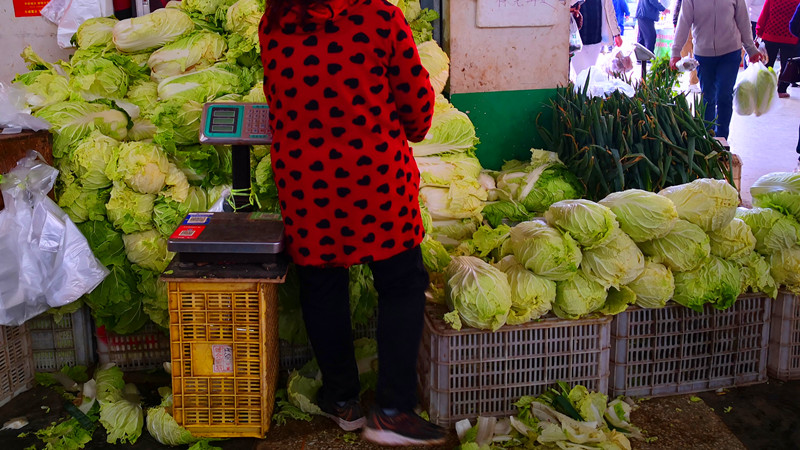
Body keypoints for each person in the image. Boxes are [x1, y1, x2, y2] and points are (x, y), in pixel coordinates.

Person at [258, 0, 445, 446]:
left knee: (323, 286)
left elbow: (277, 100)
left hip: (307, 182)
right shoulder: (380, 18)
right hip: (374, 179)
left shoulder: (276, 21)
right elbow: (417, 110)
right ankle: (393, 411)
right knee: (401, 283)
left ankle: (342, 400)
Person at [670, 0, 764, 139]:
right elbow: (683, 22)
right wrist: (675, 52)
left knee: (724, 95)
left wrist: (751, 49)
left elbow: (743, 21)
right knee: (707, 96)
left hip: (730, 52)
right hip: (703, 54)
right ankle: (708, 137)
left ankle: (721, 138)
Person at [756, 0, 800, 98]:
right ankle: (782, 90)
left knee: (767, 63)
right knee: (787, 66)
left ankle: (764, 89)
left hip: (770, 35)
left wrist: (759, 31)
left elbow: (764, 15)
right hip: (790, 37)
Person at [572, 0, 624, 77]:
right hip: (576, 39)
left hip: (596, 38)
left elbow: (610, 11)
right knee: (580, 73)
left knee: (590, 72)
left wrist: (616, 34)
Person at [673, 0, 699, 89]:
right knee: (683, 56)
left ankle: (693, 82)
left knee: (695, 57)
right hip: (686, 27)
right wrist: (675, 24)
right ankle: (674, 79)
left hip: (696, 26)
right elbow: (677, 8)